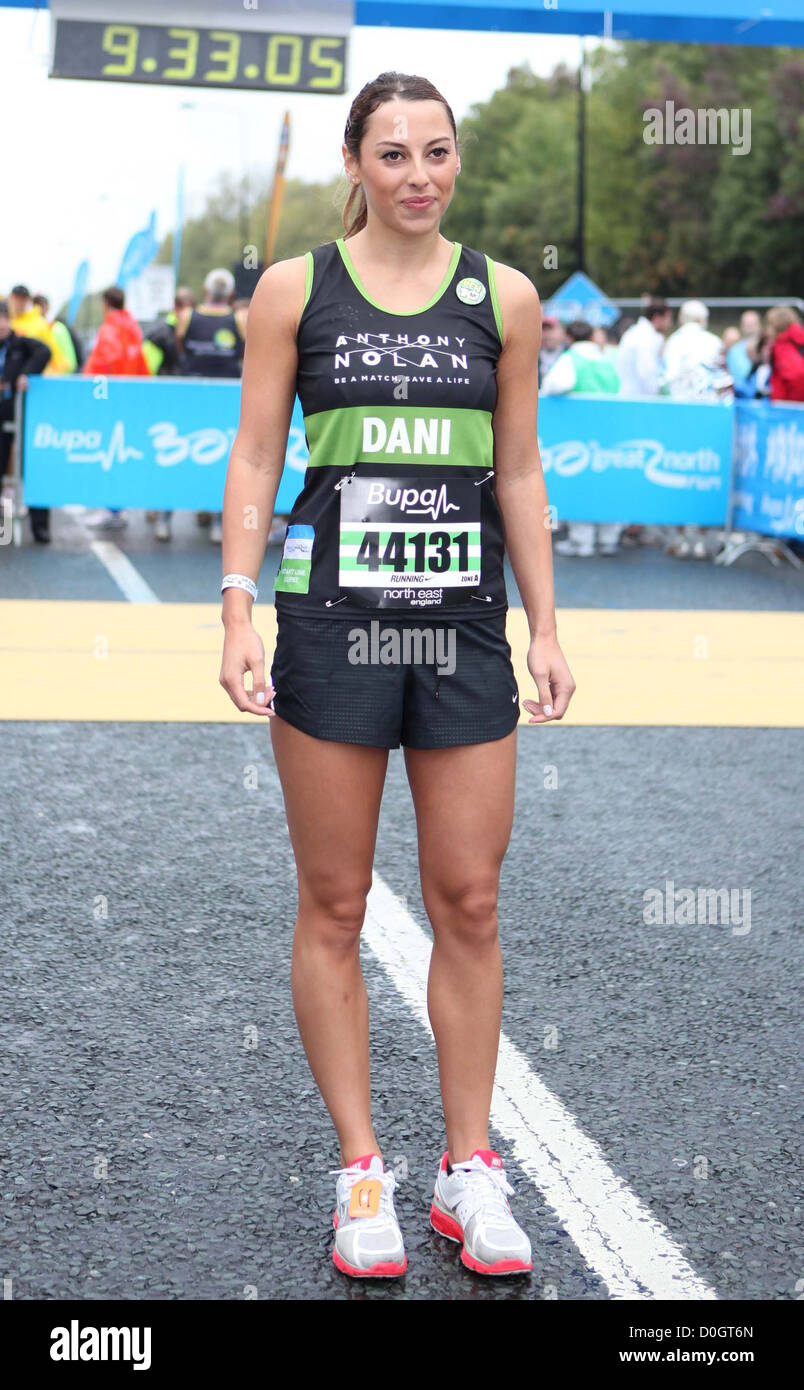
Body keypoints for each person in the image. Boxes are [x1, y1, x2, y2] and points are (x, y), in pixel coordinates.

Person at [218, 70, 576, 1280]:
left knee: (468, 897)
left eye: (437, 153)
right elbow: (259, 450)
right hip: (331, 625)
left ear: (456, 163)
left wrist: (549, 623)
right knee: (332, 901)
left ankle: (467, 1168)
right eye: (393, 154)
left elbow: (518, 470)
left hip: (464, 630)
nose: (418, 175)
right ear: (356, 164)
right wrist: (235, 608)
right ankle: (361, 1164)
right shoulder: (294, 289)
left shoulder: (506, 295)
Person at [173, 268, 248, 544]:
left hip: (192, 397)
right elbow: (246, 351)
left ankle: (168, 520)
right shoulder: (239, 318)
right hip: (225, 399)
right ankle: (216, 521)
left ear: (205, 291)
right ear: (230, 294)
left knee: (182, 457)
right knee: (221, 459)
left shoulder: (187, 315)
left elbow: (180, 346)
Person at [541, 320, 624, 557]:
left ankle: (582, 541)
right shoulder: (608, 359)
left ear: (569, 338)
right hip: (610, 433)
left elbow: (555, 384)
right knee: (608, 485)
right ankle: (609, 538)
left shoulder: (571, 358)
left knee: (580, 484)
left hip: (580, 432)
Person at [82, 285, 150, 531]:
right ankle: (117, 508)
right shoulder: (132, 326)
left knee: (109, 452)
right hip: (130, 398)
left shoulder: (110, 326)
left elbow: (104, 360)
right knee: (122, 453)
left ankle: (112, 509)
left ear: (105, 303)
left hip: (110, 400)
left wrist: (94, 393)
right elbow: (140, 360)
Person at [142, 286, 197, 541]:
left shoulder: (168, 332)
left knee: (174, 460)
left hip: (175, 406)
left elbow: (147, 368)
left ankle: (167, 512)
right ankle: (161, 512)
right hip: (176, 406)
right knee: (170, 460)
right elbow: (148, 367)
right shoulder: (161, 333)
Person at [0, 298, 53, 542]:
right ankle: (5, 530)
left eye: (2, 320)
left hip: (22, 415)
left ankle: (40, 526)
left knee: (34, 466)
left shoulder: (21, 343)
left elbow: (45, 351)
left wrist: (25, 373)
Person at [8, 284, 71, 375]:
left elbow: (55, 354)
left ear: (29, 300)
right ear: (10, 298)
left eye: (23, 298)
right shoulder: (6, 322)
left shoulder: (40, 323)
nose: (19, 302)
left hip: (33, 377)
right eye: (16, 298)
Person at [616, 299, 672, 397]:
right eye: (668, 318)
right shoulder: (645, 337)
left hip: (631, 397)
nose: (669, 324)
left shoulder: (638, 332)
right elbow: (646, 373)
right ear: (657, 317)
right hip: (638, 401)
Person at [32, 293, 82, 373]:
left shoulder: (57, 328)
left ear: (47, 307)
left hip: (56, 378)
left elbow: (70, 362)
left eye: (40, 305)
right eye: (35, 305)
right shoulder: (28, 329)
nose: (38, 309)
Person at [764, 306, 804, 402]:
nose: (766, 330)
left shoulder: (783, 346)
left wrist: (792, 404)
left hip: (788, 409)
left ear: (777, 326)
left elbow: (797, 376)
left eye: (769, 325)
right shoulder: (795, 340)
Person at [726, 311, 762, 399]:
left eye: (753, 324)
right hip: (743, 400)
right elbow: (737, 381)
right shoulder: (734, 351)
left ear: (759, 325)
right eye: (747, 324)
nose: (750, 327)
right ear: (742, 326)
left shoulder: (766, 349)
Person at [537, 314, 567, 385]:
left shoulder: (571, 354)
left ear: (563, 332)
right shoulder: (532, 356)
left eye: (550, 329)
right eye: (543, 329)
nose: (546, 334)